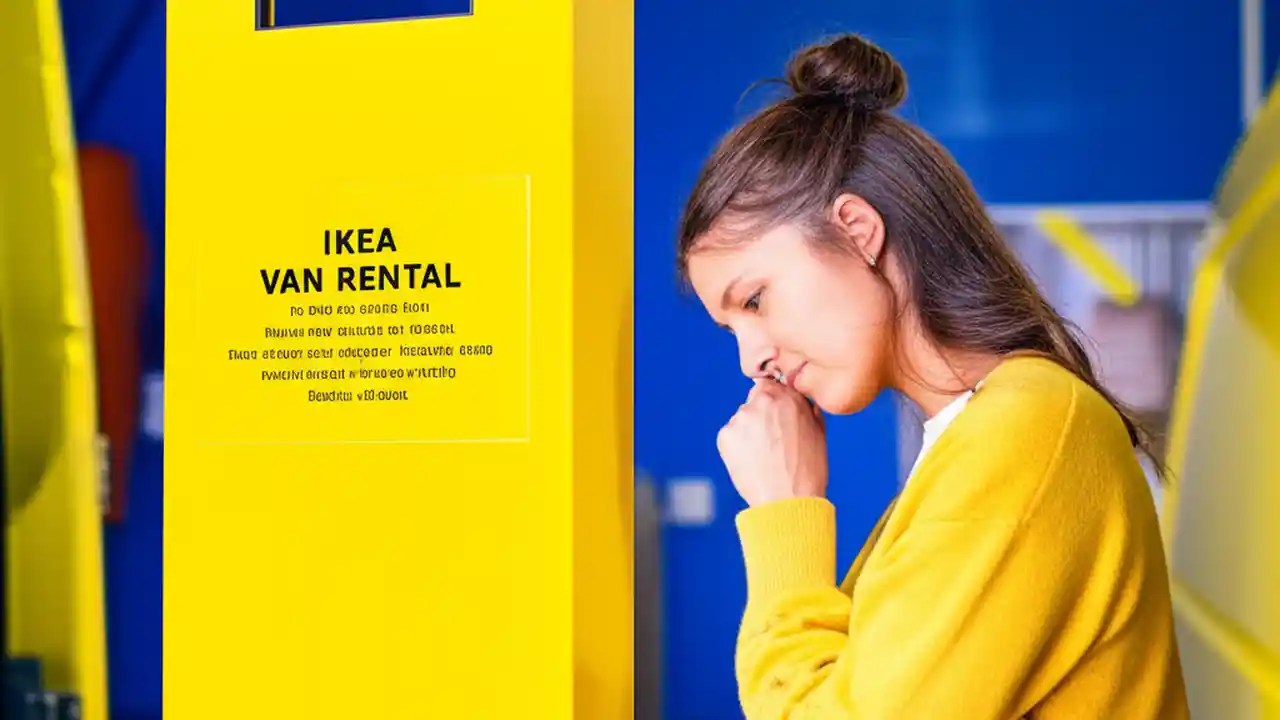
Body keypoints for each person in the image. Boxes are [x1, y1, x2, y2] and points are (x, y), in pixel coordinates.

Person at [676, 33, 1188, 719]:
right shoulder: (981, 434)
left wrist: (783, 516)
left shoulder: (1025, 431)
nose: (750, 357)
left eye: (756, 299)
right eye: (731, 327)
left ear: (858, 231)